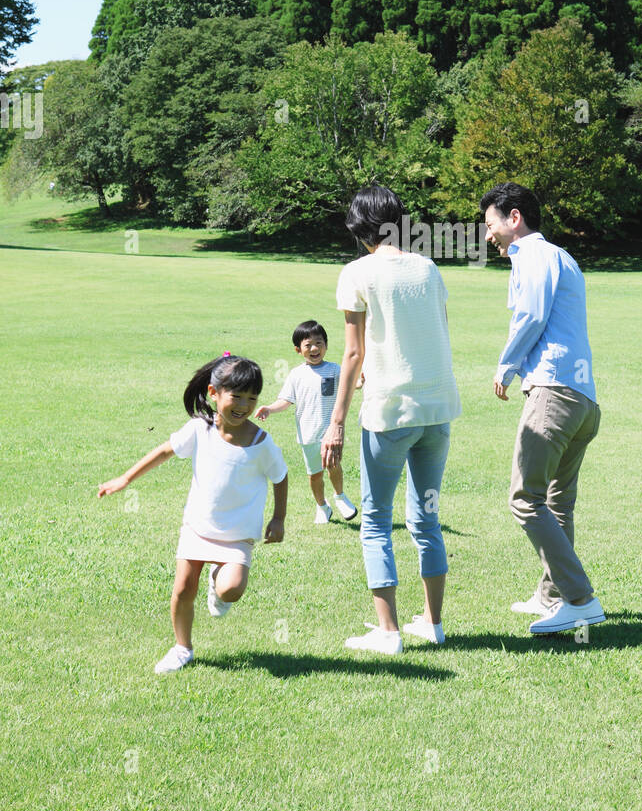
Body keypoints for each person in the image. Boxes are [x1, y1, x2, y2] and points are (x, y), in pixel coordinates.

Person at [320, 186, 461, 654]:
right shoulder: (428, 267)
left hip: (390, 413)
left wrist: (335, 421)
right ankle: (433, 624)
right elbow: (428, 333)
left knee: (376, 521)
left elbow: (354, 350)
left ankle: (389, 633)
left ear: (360, 228)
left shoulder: (358, 271)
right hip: (437, 409)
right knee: (427, 518)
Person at [98, 353, 288, 673]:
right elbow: (163, 452)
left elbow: (280, 477)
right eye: (236, 396)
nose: (244, 405)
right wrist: (125, 478)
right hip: (198, 526)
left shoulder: (261, 443)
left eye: (252, 398)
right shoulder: (200, 429)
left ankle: (218, 581)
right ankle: (182, 648)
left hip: (237, 534)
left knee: (232, 589)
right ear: (214, 393)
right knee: (184, 590)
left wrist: (278, 518)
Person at [480, 182, 605, 635]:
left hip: (553, 392)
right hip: (582, 398)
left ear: (514, 217)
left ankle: (580, 599)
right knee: (557, 502)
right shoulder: (561, 255)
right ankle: (552, 595)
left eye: (491, 224)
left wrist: (506, 366)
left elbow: (530, 315)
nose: (488, 234)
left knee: (524, 499)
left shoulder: (533, 256)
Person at [255, 319, 358, 525]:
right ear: (298, 350)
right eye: (308, 345)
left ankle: (340, 496)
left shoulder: (335, 370)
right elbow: (285, 401)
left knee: (333, 466)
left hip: (330, 433)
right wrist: (269, 409)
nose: (314, 348)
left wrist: (360, 380)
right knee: (314, 475)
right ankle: (322, 506)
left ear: (326, 345)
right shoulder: (296, 374)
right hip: (307, 435)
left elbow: (351, 383)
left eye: (319, 343)